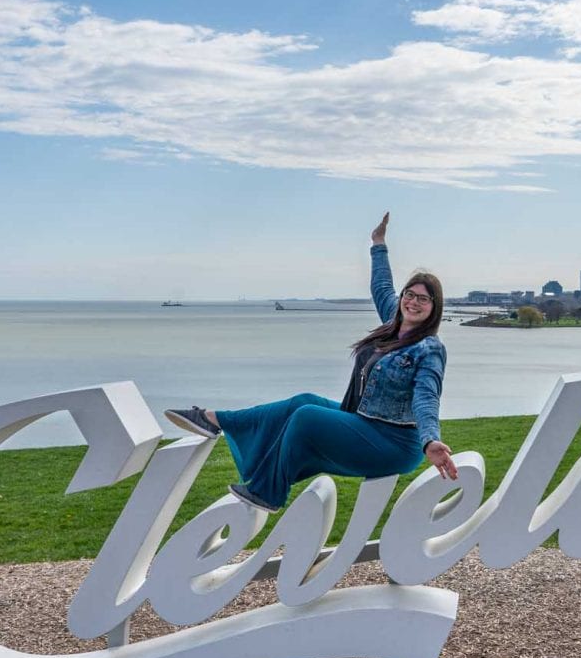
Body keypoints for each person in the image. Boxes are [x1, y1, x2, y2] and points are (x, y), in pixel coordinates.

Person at [165, 212, 457, 512]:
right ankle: (215, 420)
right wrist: (378, 243)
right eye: (410, 295)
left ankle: (268, 491)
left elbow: (426, 398)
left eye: (424, 299)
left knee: (307, 416)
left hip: (394, 443)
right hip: (366, 422)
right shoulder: (393, 324)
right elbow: (381, 287)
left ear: (434, 308)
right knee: (301, 402)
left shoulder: (429, 348)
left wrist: (430, 441)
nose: (414, 302)